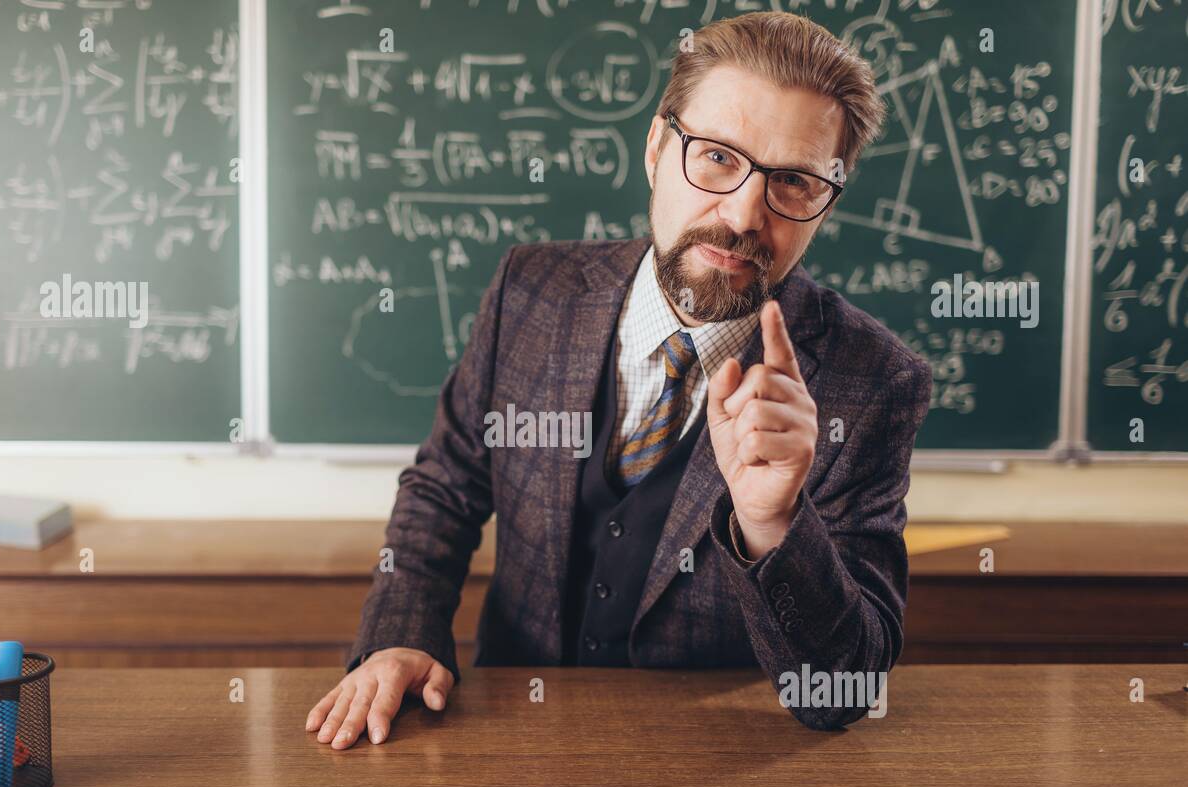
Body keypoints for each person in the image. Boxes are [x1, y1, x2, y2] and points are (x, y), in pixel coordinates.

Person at [306, 10, 932, 748]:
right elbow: (445, 487)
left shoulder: (874, 382)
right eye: (719, 159)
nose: (741, 215)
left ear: (825, 204)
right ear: (658, 150)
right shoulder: (529, 289)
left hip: (717, 770)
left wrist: (771, 525)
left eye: (792, 181)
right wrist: (401, 636)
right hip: (502, 737)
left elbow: (842, 692)